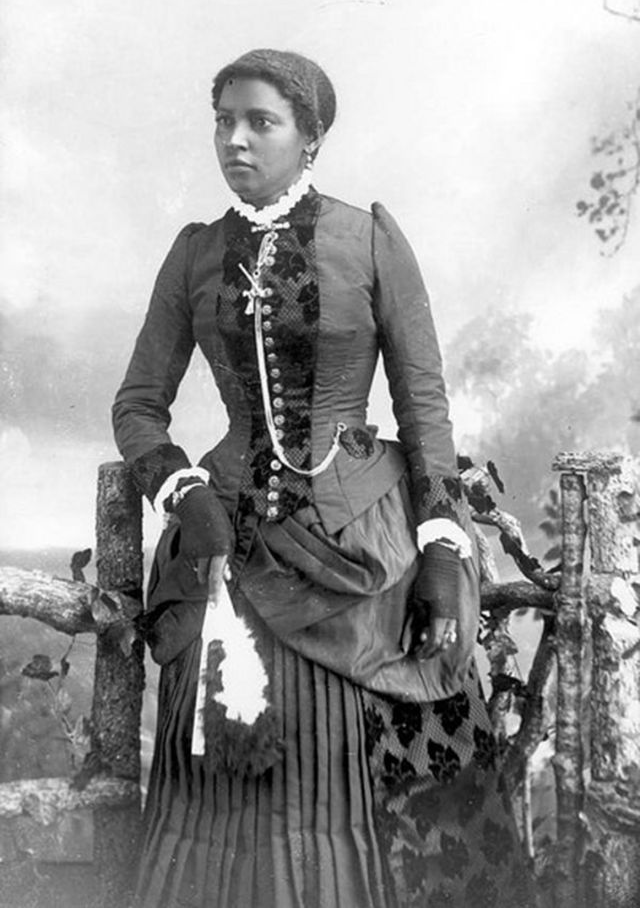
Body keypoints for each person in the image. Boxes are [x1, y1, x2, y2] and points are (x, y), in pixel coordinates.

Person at [113, 49, 532, 908]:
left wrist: (445, 550)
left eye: (260, 122)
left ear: (311, 138)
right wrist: (185, 495)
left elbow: (424, 405)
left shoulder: (368, 239)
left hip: (362, 544)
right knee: (225, 790)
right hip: (229, 554)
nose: (236, 141)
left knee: (369, 768)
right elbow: (138, 406)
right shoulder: (195, 254)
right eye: (224, 122)